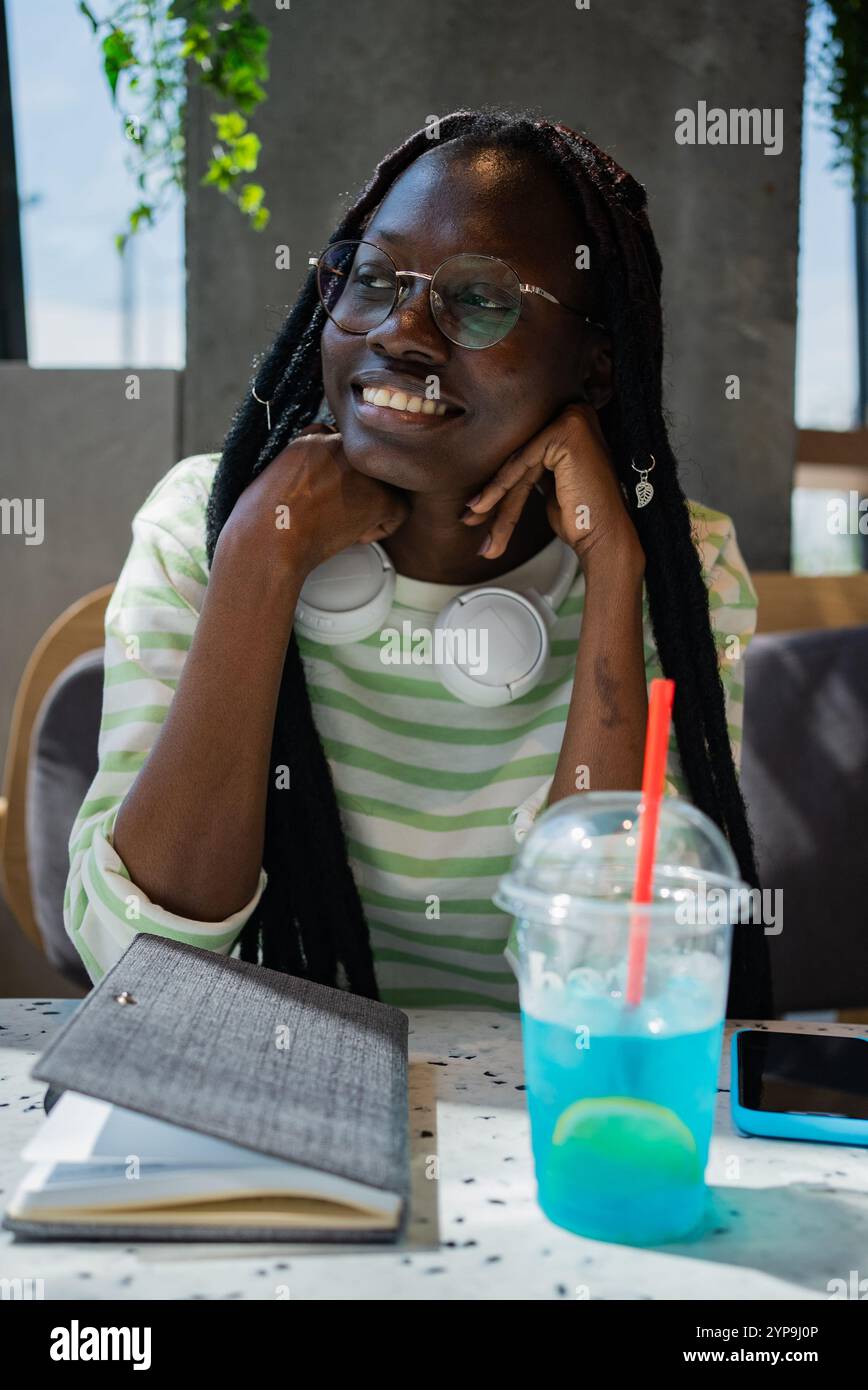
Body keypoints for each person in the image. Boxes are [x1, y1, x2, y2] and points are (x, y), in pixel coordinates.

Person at [64, 108, 771, 1017]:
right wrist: (260, 558)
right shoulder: (207, 524)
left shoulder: (685, 567)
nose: (402, 330)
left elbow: (613, 988)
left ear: (596, 369)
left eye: (479, 299)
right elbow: (133, 965)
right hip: (270, 1111)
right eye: (370, 279)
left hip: (539, 1120)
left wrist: (611, 577)